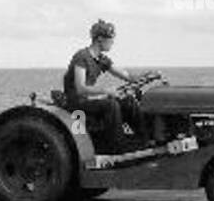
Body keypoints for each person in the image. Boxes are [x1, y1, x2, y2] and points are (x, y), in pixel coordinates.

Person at [62, 19, 156, 152]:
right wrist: (106, 91)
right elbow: (81, 88)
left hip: (88, 100)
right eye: (110, 40)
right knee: (111, 105)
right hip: (76, 102)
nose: (112, 43)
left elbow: (127, 76)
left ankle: (144, 139)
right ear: (100, 39)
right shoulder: (81, 57)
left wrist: (148, 75)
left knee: (127, 101)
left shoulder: (102, 59)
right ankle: (117, 145)